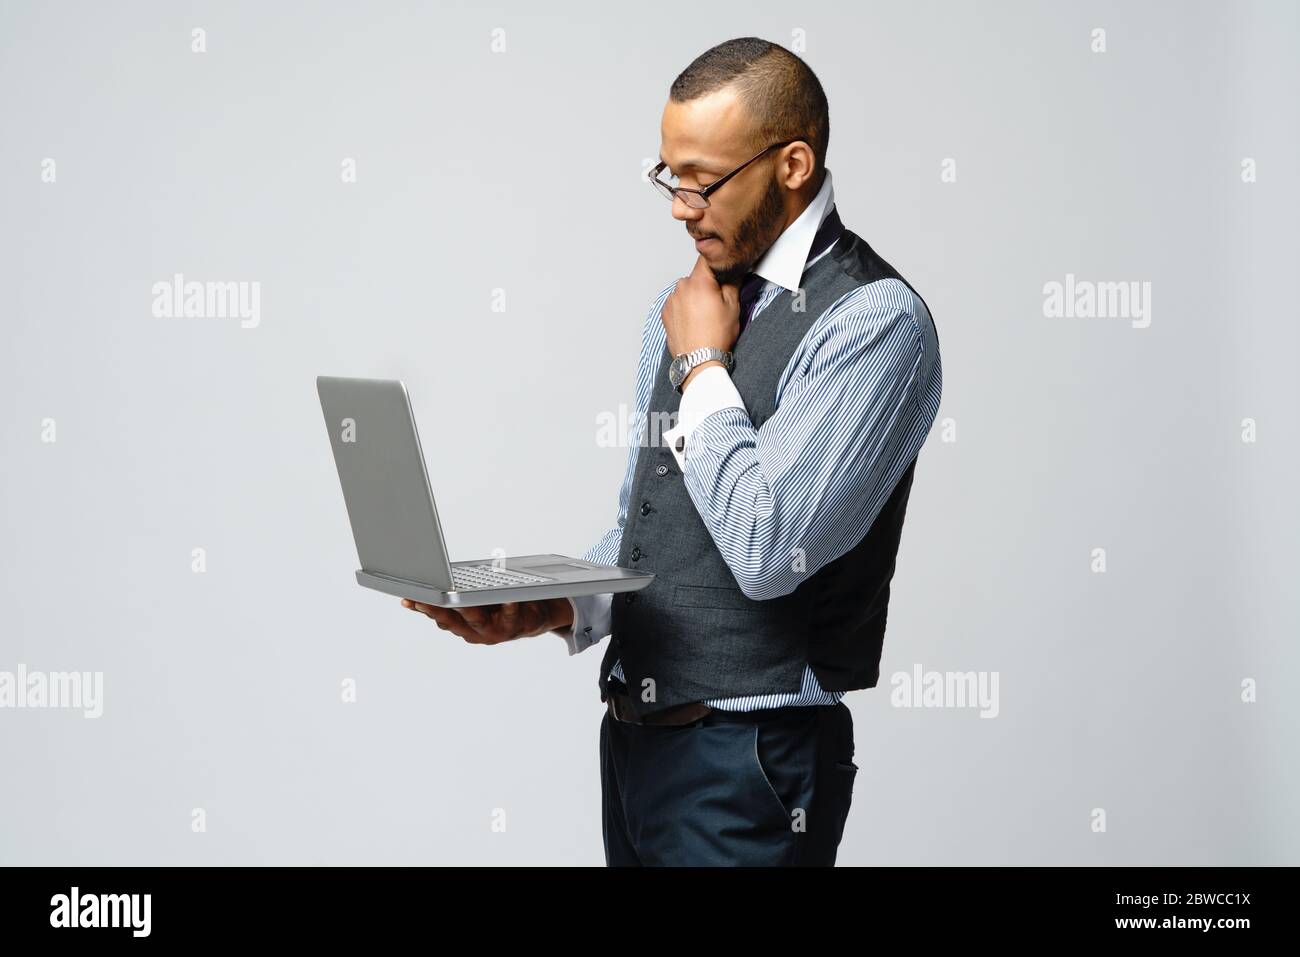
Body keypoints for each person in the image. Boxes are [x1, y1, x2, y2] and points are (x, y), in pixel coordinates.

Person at [402, 36, 943, 866]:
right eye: (669, 175)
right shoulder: (685, 302)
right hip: (635, 750)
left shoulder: (875, 323)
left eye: (703, 179)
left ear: (793, 163)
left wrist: (701, 365)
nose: (681, 205)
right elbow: (652, 537)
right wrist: (553, 603)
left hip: (751, 759)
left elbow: (769, 548)